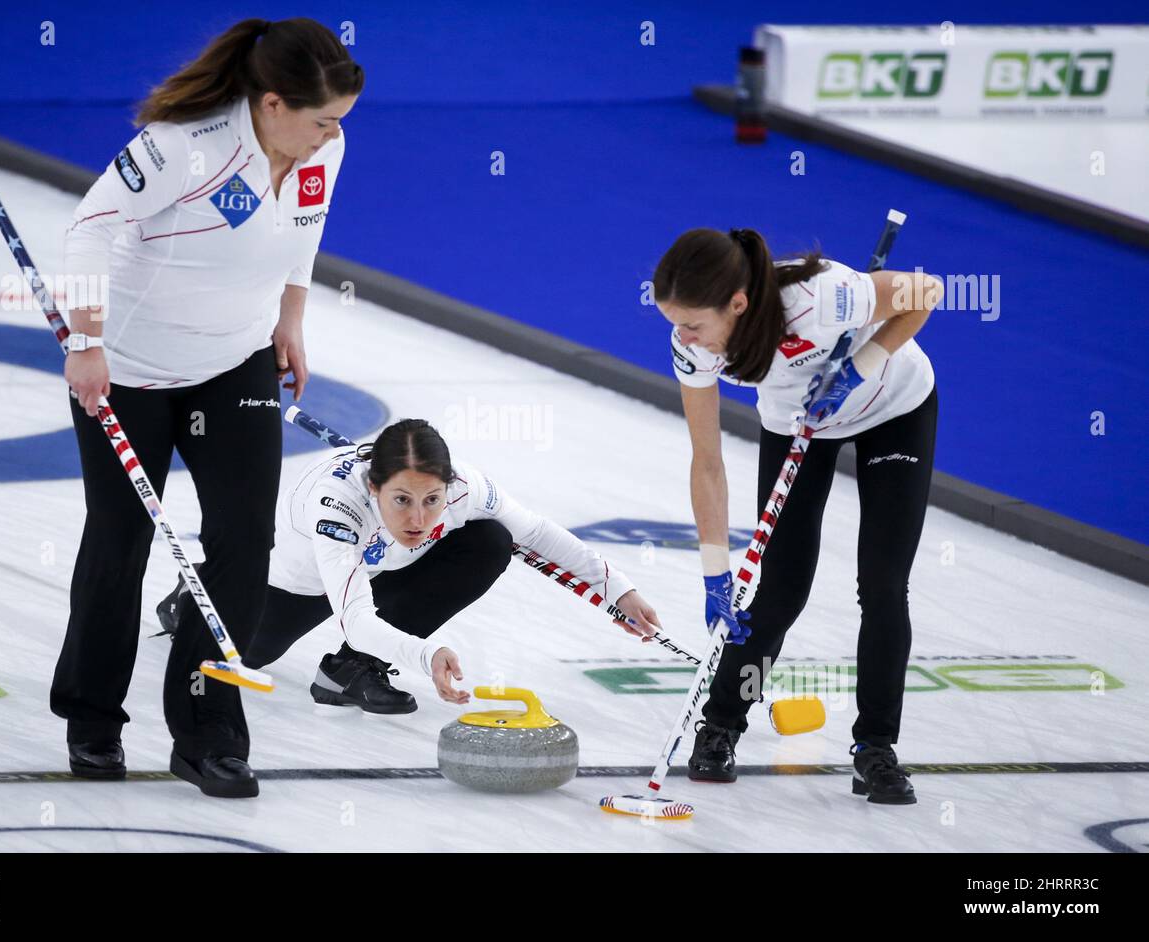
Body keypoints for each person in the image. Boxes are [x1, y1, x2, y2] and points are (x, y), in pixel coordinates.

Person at [51, 17, 363, 797]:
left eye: (338, 122)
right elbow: (90, 230)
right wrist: (85, 344)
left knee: (242, 540)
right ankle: (92, 719)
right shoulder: (180, 146)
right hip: (132, 368)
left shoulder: (322, 145)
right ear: (270, 103)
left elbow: (305, 229)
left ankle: (208, 729)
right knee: (120, 541)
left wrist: (290, 320)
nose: (331, 135)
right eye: (321, 118)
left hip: (236, 362)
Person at [158, 419, 663, 794]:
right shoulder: (336, 506)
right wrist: (427, 654)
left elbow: (535, 533)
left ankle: (350, 673)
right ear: (374, 486)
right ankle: (194, 592)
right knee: (252, 653)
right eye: (401, 500)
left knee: (491, 540)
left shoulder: (466, 487)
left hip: (384, 564)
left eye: (432, 500)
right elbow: (354, 619)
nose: (419, 517)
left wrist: (618, 590)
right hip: (301, 581)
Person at [655, 227, 942, 804]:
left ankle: (876, 748)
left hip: (894, 410)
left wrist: (864, 362)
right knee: (780, 591)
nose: (682, 338)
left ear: (737, 304)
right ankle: (721, 727)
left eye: (692, 324)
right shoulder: (690, 345)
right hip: (799, 430)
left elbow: (925, 291)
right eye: (674, 323)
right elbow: (706, 461)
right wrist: (715, 568)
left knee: (883, 584)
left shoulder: (819, 296)